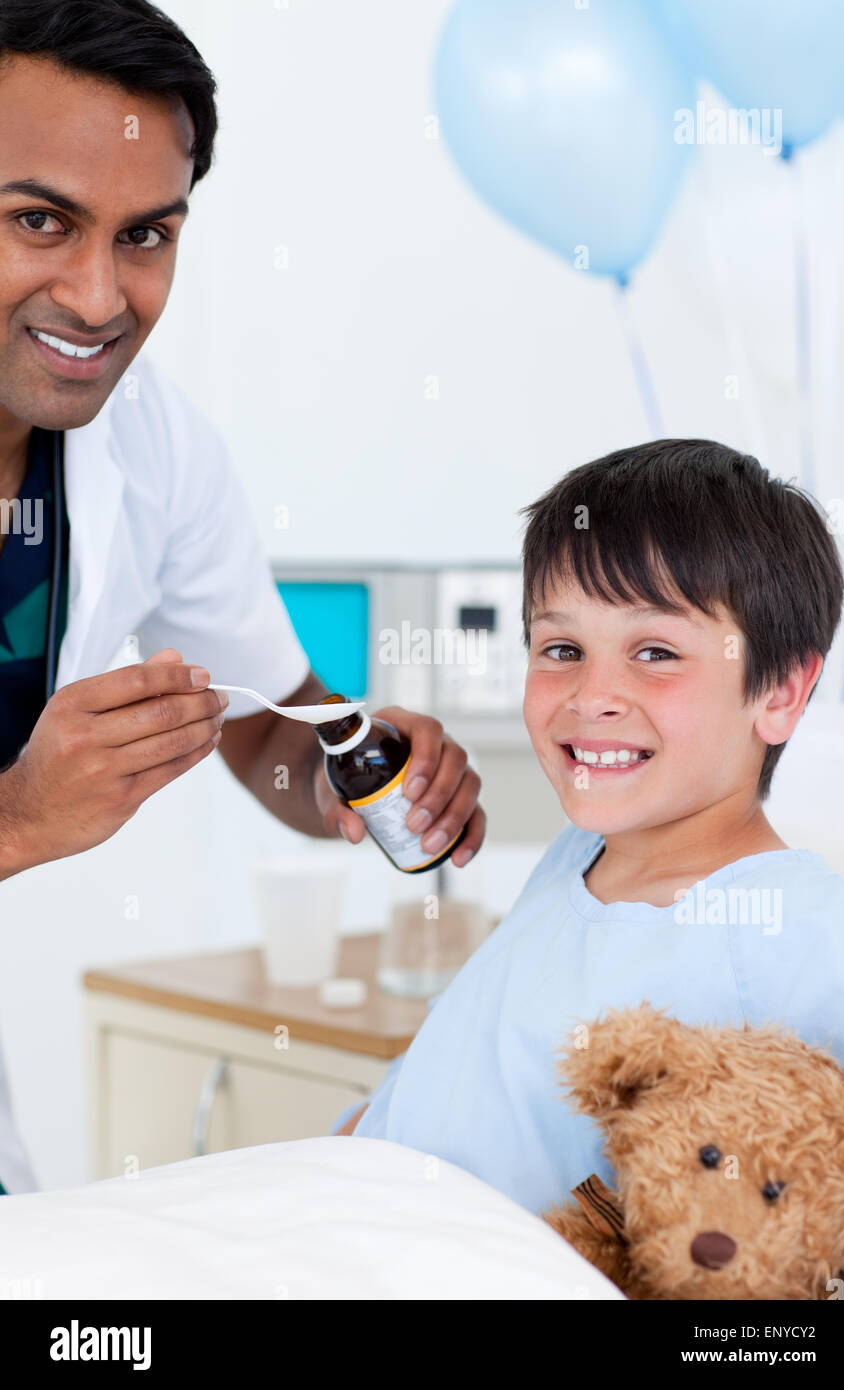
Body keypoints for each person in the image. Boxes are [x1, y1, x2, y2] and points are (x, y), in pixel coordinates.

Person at [0, 0, 484, 1193]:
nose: (100, 298)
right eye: (39, 221)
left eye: (147, 235)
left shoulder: (152, 448)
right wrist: (17, 818)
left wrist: (355, 772)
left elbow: (270, 725)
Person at [337, 440, 844, 1288]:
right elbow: (468, 1079)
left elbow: (828, 1231)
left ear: (781, 691)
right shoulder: (577, 861)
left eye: (655, 652)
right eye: (560, 649)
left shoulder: (792, 929)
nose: (592, 695)